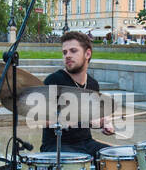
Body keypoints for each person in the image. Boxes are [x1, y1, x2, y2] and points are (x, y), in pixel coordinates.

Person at [38, 30, 114, 159]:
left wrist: (105, 122)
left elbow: (93, 119)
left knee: (116, 157)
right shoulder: (54, 81)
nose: (67, 55)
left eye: (73, 51)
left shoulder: (92, 84)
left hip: (86, 143)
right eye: (64, 52)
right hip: (56, 146)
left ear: (87, 54)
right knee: (80, 160)